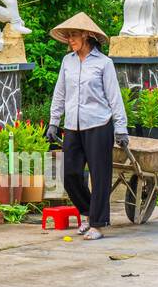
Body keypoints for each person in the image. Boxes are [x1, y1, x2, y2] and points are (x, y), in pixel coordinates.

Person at [45, 13, 129, 241]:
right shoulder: (67, 62)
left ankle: (97, 224)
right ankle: (88, 211)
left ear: (87, 36)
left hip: (99, 124)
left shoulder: (104, 63)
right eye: (68, 36)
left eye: (74, 35)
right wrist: (54, 121)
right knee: (69, 174)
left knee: (100, 175)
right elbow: (59, 93)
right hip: (72, 125)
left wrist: (121, 128)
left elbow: (114, 98)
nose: (70, 40)